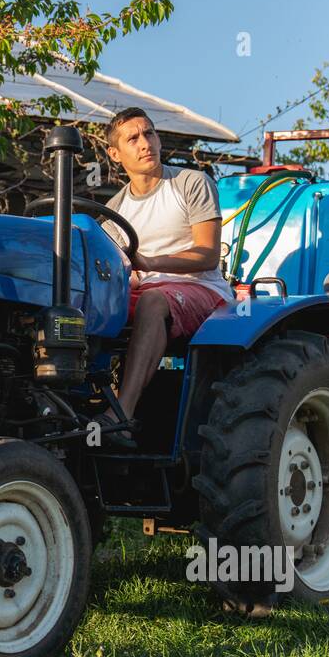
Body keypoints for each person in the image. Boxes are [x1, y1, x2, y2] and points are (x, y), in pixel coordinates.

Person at [98, 107, 233, 445]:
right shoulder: (113, 211)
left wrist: (148, 262)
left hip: (199, 287)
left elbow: (207, 254)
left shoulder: (190, 183)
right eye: (134, 138)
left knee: (154, 300)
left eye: (150, 133)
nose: (146, 143)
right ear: (115, 154)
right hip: (144, 290)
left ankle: (121, 414)